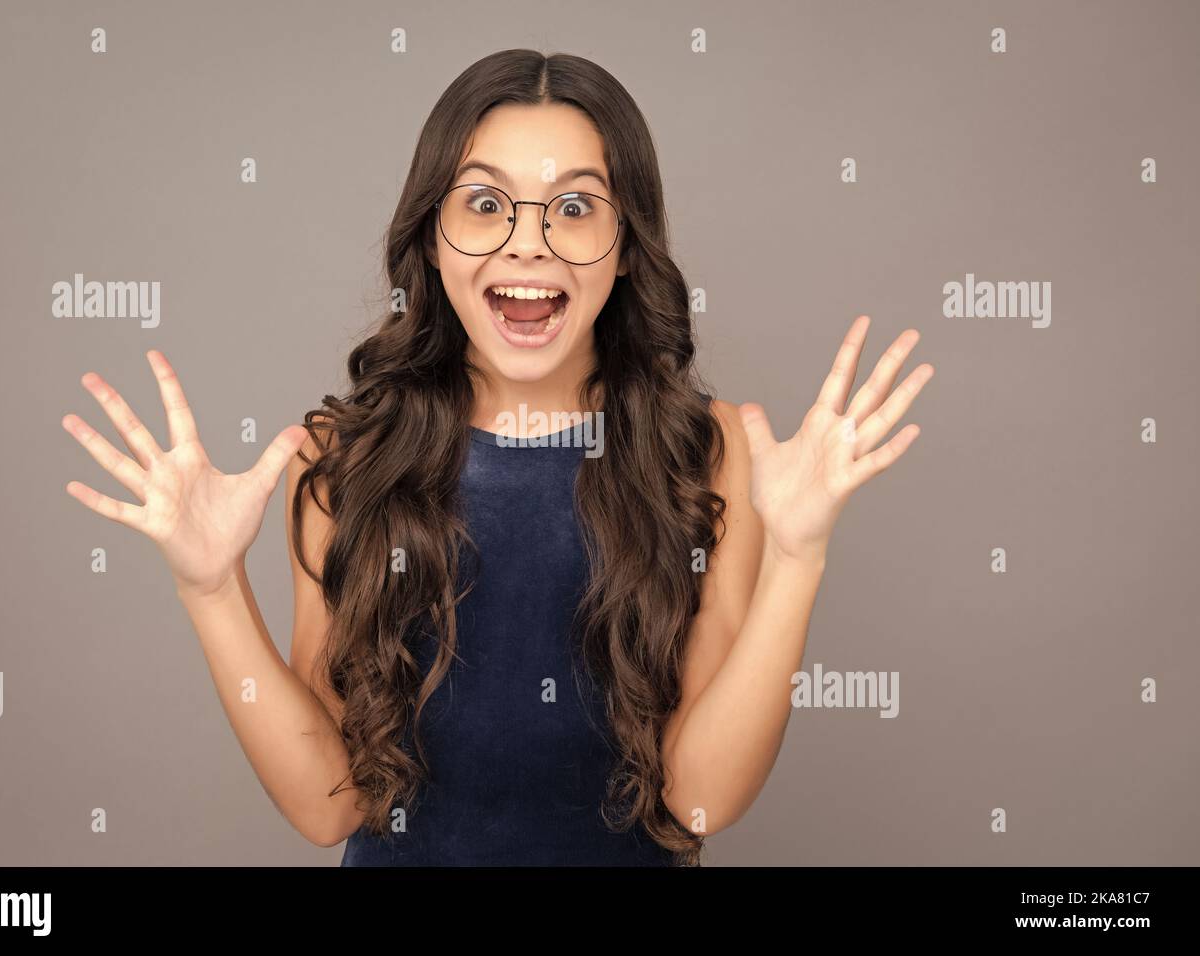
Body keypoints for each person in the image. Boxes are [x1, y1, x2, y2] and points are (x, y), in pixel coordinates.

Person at [60, 49, 933, 866]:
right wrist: (212, 588)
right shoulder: (344, 459)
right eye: (485, 204)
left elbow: (699, 799)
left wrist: (796, 557)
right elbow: (328, 806)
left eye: (576, 207)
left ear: (627, 247)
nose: (528, 243)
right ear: (433, 239)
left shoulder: (707, 455)